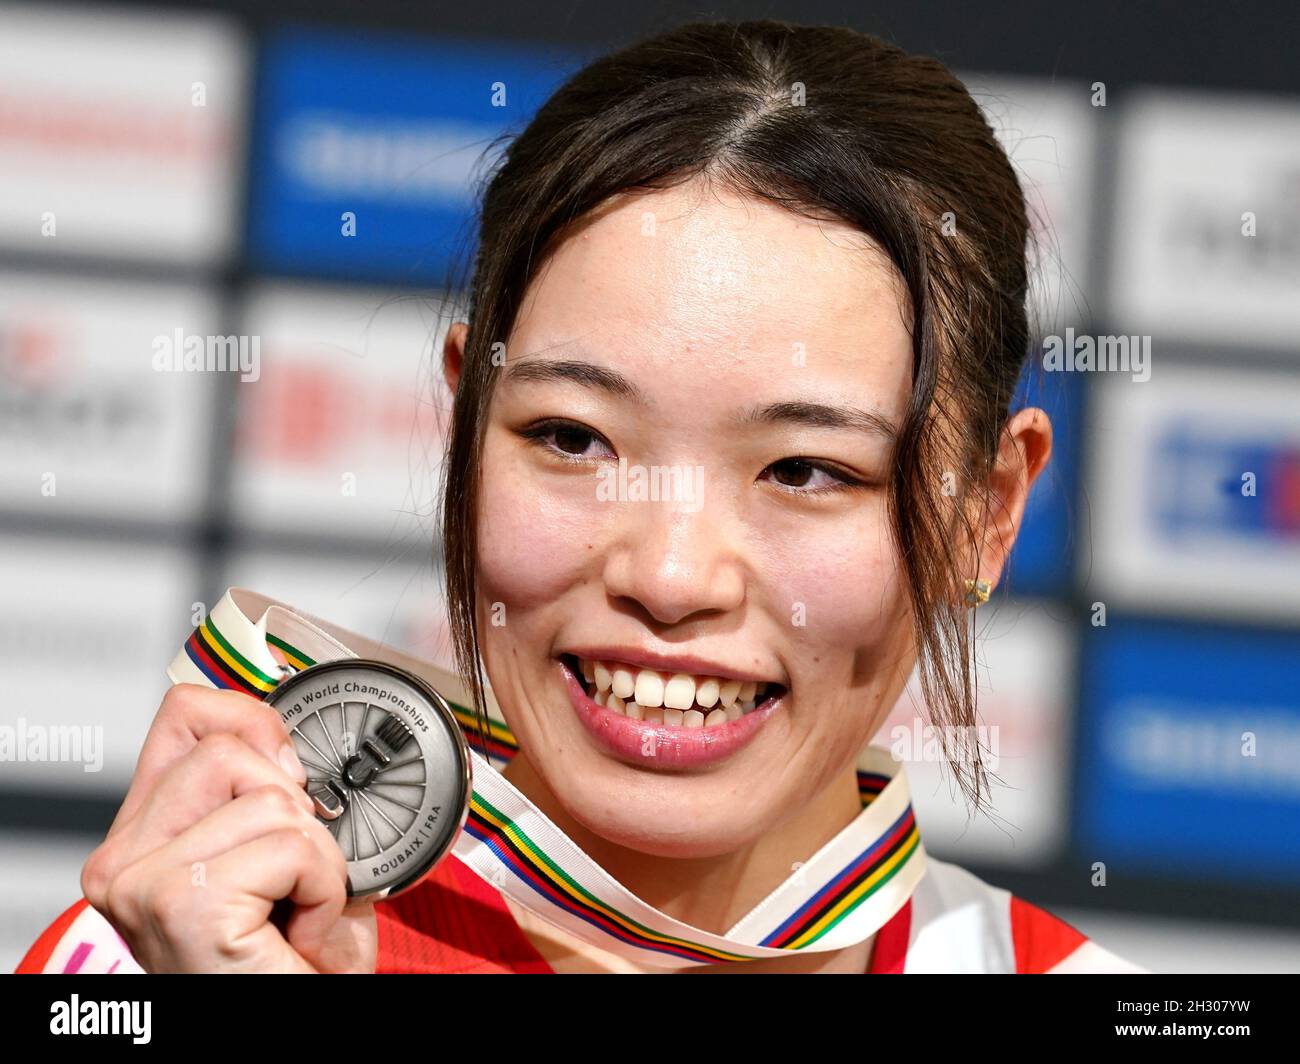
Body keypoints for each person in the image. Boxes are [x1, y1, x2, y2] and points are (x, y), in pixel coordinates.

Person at [17, 18, 1143, 975]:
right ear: (464, 432)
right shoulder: (164, 946)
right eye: (571, 436)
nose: (666, 574)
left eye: (805, 469)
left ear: (982, 513)